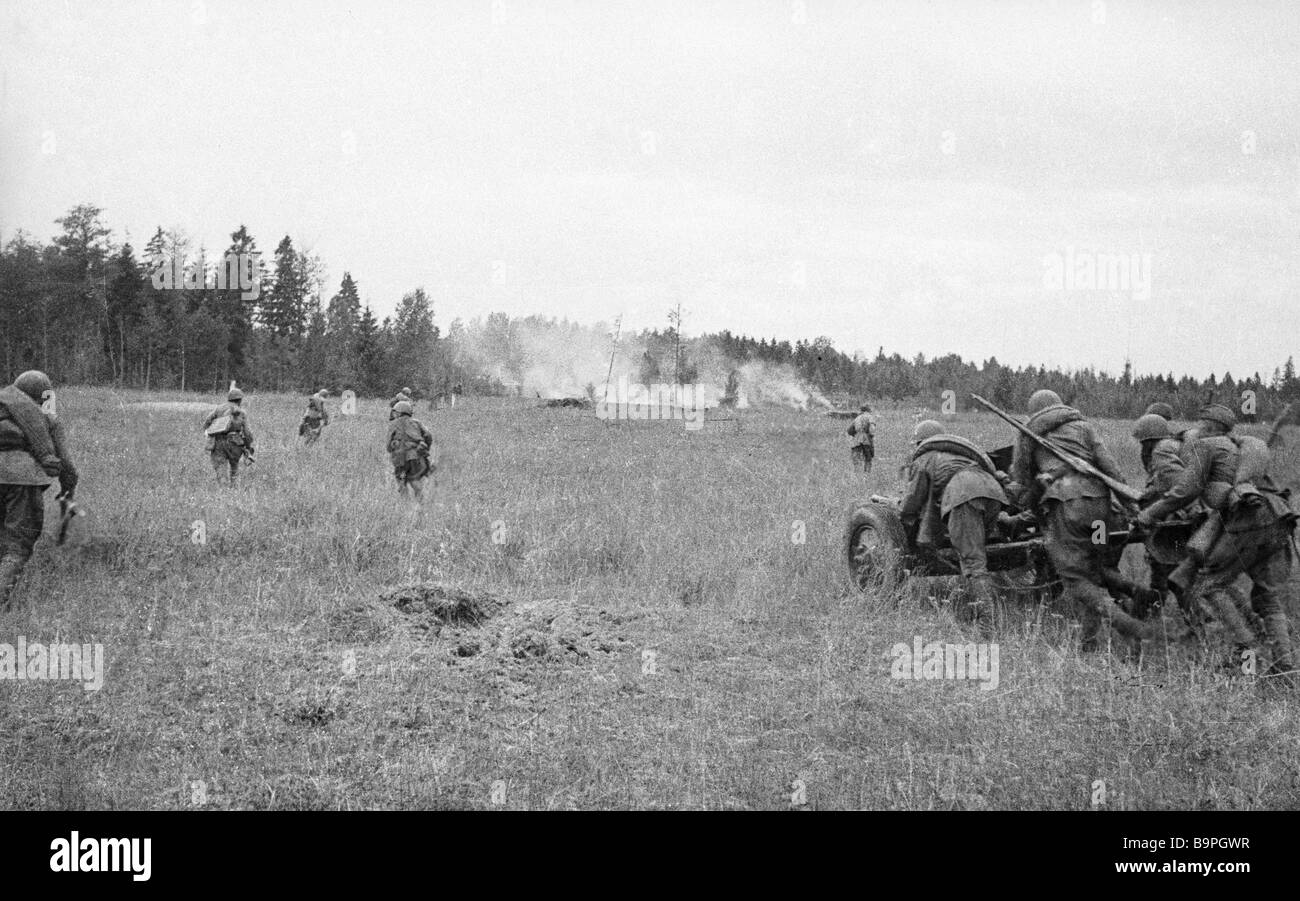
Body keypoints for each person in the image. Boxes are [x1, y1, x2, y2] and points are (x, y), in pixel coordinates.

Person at [1138, 403, 1296, 675]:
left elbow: (1186, 490)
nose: (1196, 428)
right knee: (1266, 595)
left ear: (1210, 426)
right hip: (1278, 516)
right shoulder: (1241, 449)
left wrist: (1149, 514)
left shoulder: (1207, 445)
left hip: (1248, 521)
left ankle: (1248, 651)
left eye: (1201, 423)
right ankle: (1286, 667)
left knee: (1208, 585)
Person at [1009, 389, 1160, 649]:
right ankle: (1090, 643)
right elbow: (1111, 469)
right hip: (1101, 508)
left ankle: (1130, 626)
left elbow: (1022, 481)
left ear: (1034, 410)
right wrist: (1131, 507)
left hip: (1066, 507)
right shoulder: (1083, 427)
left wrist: (1018, 509)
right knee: (1094, 570)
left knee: (1075, 578)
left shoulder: (1028, 432)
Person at [899, 420, 1009, 607]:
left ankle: (987, 618)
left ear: (920, 442)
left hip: (964, 495)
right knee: (977, 548)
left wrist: (900, 512)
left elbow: (913, 500)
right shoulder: (960, 456)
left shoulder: (924, 459)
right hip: (993, 493)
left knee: (973, 560)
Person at [0, 370, 78, 609]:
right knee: (17, 544)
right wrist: (67, 491)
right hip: (23, 482)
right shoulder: (47, 418)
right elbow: (67, 467)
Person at [1131, 413, 1202, 622]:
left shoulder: (1162, 451)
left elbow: (1176, 487)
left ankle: (1199, 622)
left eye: (1143, 443)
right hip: (1179, 518)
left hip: (1178, 521)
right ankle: (1150, 617)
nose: (1142, 449)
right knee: (1163, 572)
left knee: (1172, 575)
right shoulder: (1174, 447)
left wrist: (1147, 511)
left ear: (1148, 441)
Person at [204, 388, 255, 487]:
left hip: (218, 443)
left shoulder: (218, 409)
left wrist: (209, 433)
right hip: (236, 443)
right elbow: (247, 433)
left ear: (229, 399)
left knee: (221, 468)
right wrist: (248, 446)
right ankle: (234, 489)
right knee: (234, 467)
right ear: (240, 400)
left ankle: (223, 490)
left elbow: (206, 422)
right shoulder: (242, 413)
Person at [387, 401, 433, 502]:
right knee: (415, 482)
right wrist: (426, 448)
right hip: (416, 458)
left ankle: (406, 507)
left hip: (400, 460)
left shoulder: (393, 424)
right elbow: (428, 436)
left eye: (396, 412)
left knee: (401, 482)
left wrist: (392, 449)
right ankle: (420, 505)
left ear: (399, 412)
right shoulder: (416, 422)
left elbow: (388, 446)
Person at [847, 403, 876, 477]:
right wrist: (871, 436)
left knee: (856, 461)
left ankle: (856, 476)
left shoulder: (857, 418)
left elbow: (849, 430)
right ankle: (866, 476)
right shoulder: (870, 417)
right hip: (866, 440)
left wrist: (856, 435)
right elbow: (872, 429)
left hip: (856, 441)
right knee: (868, 459)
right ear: (868, 410)